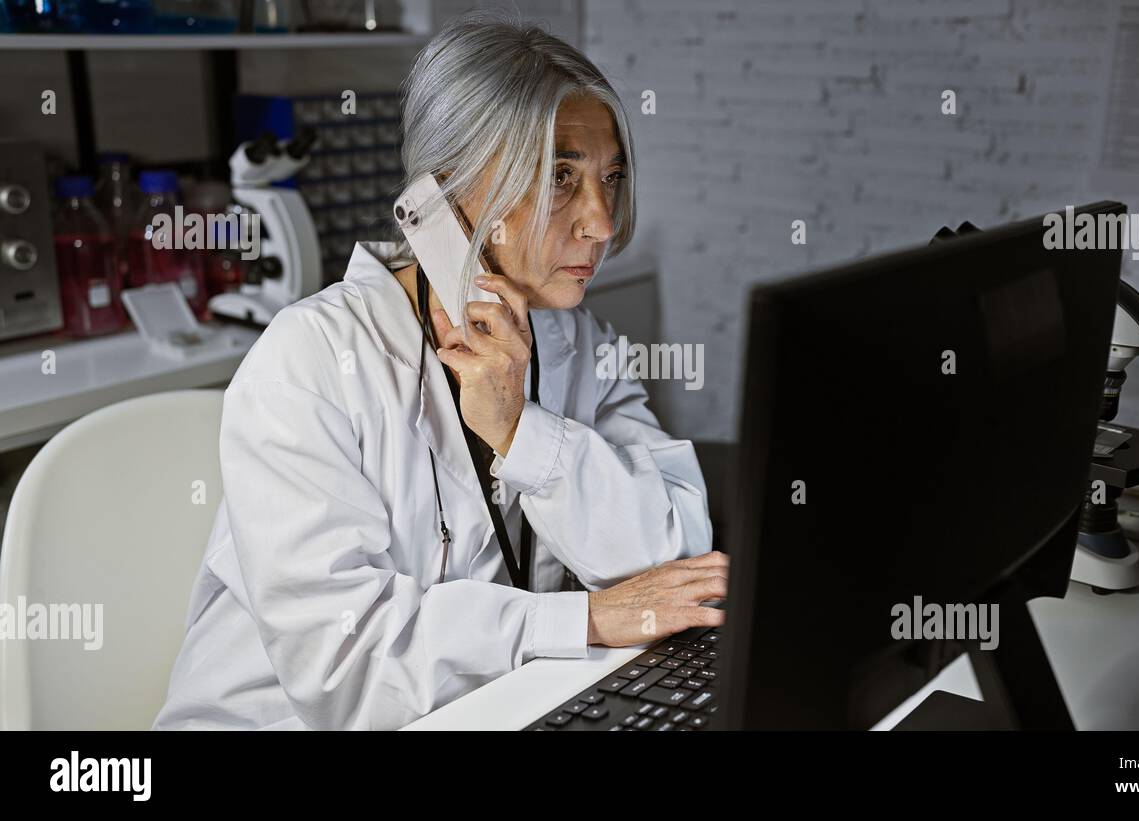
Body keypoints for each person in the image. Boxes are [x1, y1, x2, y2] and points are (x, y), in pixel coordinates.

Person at [154, 14, 724, 731]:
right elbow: (350, 670)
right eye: (561, 177)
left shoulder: (578, 345)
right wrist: (581, 619)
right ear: (448, 188)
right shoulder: (309, 363)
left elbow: (677, 559)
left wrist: (523, 433)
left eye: (610, 178)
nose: (602, 222)